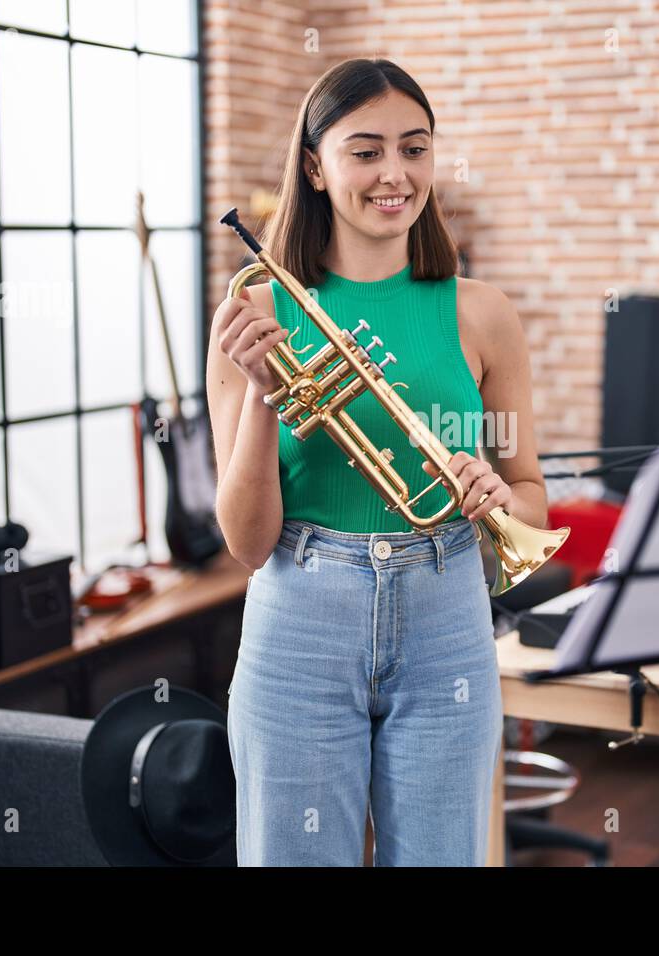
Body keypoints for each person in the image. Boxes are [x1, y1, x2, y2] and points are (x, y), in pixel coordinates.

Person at [205, 58, 554, 866]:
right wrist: (265, 392)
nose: (394, 174)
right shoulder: (253, 310)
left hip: (449, 616)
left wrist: (500, 496)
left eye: (414, 148)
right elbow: (247, 543)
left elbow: (532, 499)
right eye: (364, 151)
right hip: (301, 619)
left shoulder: (484, 313)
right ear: (314, 167)